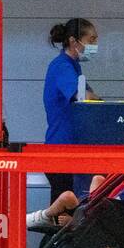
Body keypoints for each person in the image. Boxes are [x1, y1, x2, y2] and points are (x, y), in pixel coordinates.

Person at [43, 17, 98, 203]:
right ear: (74, 41)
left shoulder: (74, 67)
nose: (94, 45)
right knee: (63, 212)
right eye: (91, 40)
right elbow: (83, 96)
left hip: (69, 148)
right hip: (61, 149)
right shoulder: (62, 67)